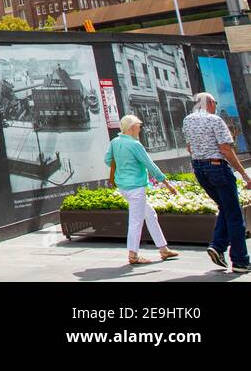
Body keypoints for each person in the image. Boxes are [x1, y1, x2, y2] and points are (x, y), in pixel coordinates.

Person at [183, 92, 251, 273]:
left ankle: (218, 246)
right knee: (234, 213)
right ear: (210, 103)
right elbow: (226, 149)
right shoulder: (214, 120)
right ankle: (240, 261)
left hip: (200, 169)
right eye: (215, 102)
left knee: (225, 208)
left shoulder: (187, 120)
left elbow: (189, 147)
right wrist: (244, 175)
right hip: (217, 167)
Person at [105, 115, 179, 266]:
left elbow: (107, 160)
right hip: (136, 188)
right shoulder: (135, 145)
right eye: (139, 125)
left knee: (150, 214)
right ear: (132, 128)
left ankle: (164, 249)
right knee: (136, 221)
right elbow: (151, 166)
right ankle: (133, 255)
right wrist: (168, 184)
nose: (141, 128)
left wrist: (122, 167)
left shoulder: (115, 142)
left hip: (123, 187)